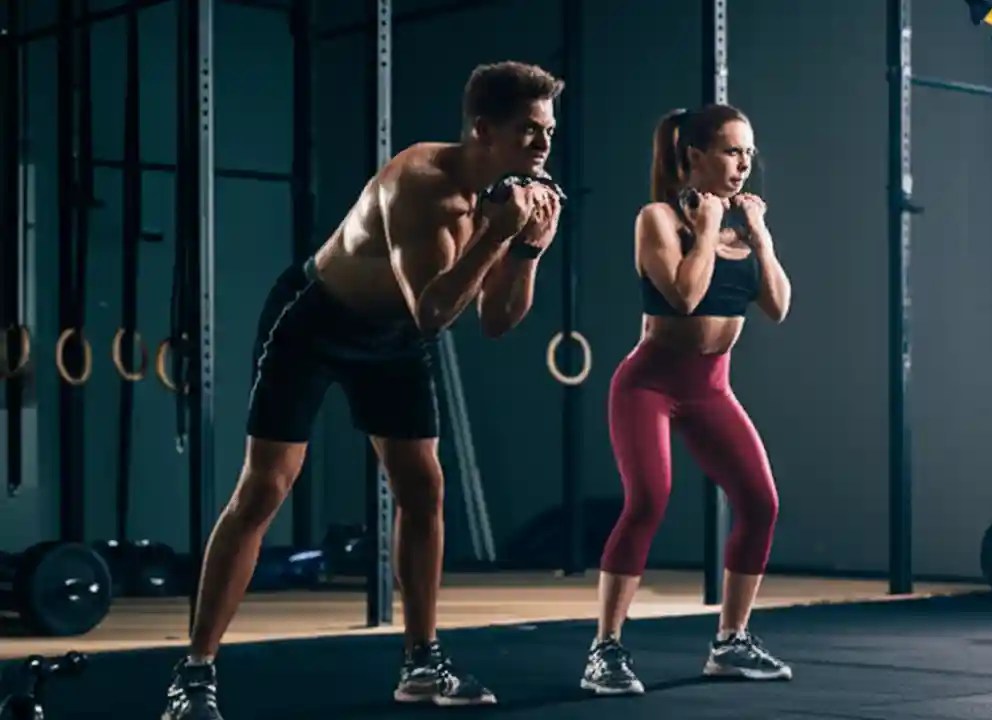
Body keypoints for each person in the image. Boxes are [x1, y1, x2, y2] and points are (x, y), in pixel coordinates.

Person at [161, 60, 565, 720]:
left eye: (548, 132)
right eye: (529, 131)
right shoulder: (421, 182)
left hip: (394, 339)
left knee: (424, 486)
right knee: (265, 487)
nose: (544, 146)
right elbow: (434, 311)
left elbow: (495, 322)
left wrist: (529, 251)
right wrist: (497, 233)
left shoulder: (509, 197)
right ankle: (195, 673)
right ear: (483, 131)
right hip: (317, 320)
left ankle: (421, 665)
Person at [580, 104, 794, 696]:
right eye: (730, 151)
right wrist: (705, 229)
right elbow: (683, 296)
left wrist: (762, 239)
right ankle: (606, 649)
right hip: (649, 385)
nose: (743, 163)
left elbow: (777, 306)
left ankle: (730, 642)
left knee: (760, 502)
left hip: (711, 389)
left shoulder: (744, 228)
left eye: (749, 152)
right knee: (648, 500)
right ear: (693, 155)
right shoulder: (657, 219)